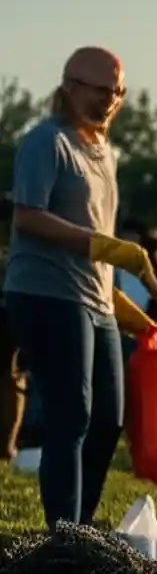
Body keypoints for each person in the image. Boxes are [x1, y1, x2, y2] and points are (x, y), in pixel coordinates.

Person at [3, 47, 155, 528]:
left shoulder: (103, 151)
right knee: (73, 415)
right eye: (102, 90)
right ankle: (63, 534)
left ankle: (82, 528)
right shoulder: (47, 143)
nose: (111, 100)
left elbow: (96, 225)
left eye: (119, 92)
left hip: (96, 299)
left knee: (108, 420)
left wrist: (115, 294)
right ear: (70, 86)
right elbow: (27, 216)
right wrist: (99, 246)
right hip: (47, 293)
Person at [0, 192, 28, 461]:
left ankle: (7, 446)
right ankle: (7, 446)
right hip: (13, 307)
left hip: (10, 310)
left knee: (12, 378)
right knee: (12, 379)